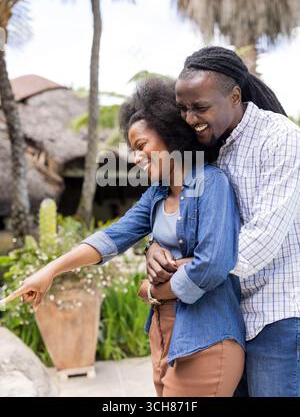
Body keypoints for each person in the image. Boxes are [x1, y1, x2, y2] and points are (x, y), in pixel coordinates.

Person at [0, 78, 245, 397]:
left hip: (205, 338)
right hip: (163, 333)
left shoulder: (211, 184)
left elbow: (214, 265)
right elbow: (112, 237)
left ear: (170, 134)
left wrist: (156, 291)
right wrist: (49, 271)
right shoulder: (157, 194)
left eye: (141, 145)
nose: (134, 157)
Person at [146, 46, 300, 397]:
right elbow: (176, 207)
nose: (189, 118)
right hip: (225, 318)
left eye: (200, 107)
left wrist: (193, 269)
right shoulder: (207, 143)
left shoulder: (281, 139)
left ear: (234, 96)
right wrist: (154, 246)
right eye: (183, 108)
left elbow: (262, 238)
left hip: (276, 313)